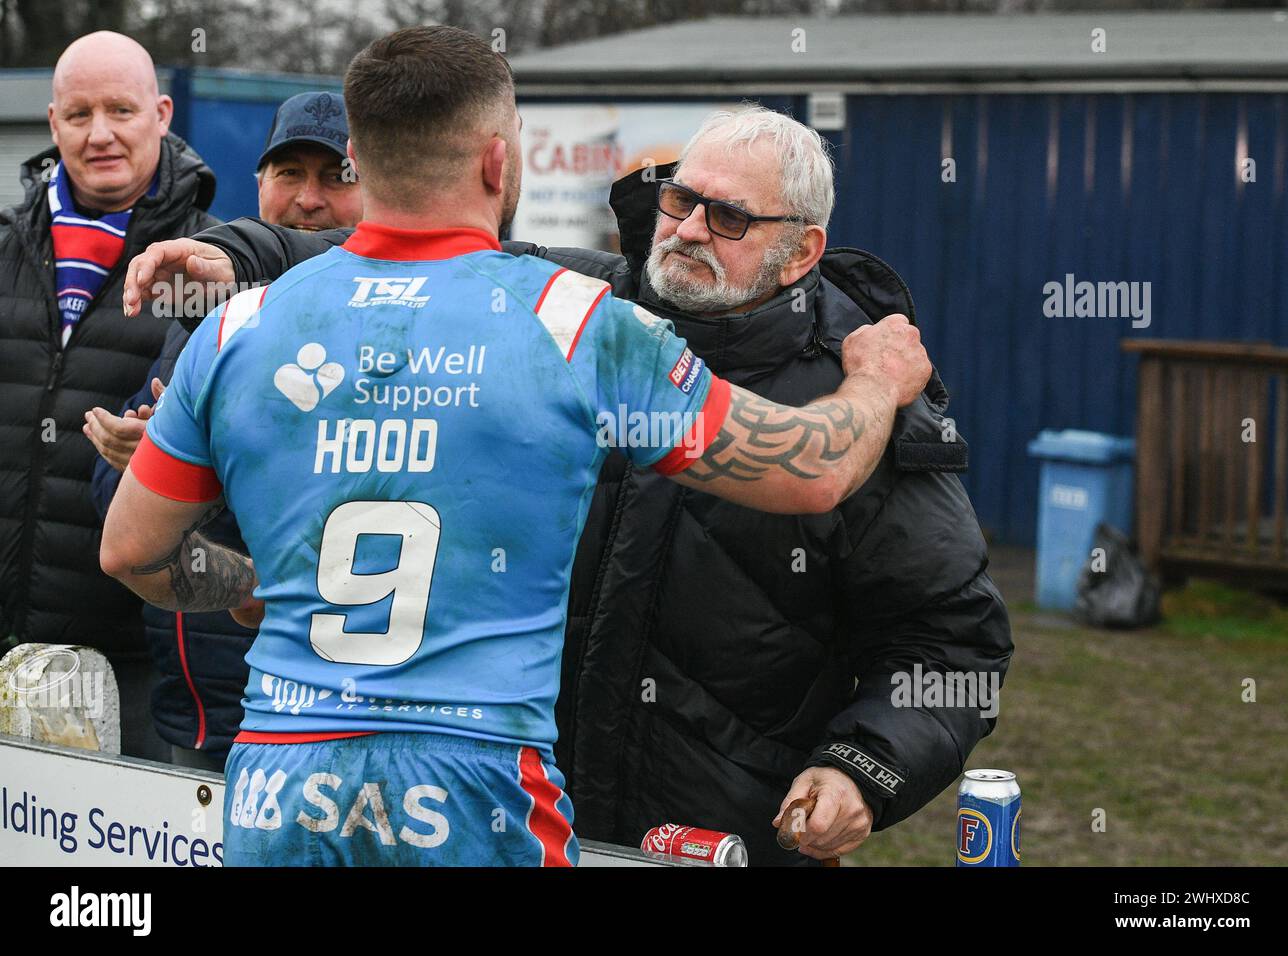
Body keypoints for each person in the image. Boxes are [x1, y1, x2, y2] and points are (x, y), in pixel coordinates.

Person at [101, 25, 931, 867]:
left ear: (357, 157)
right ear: (499, 163)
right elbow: (816, 466)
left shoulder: (241, 327)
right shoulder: (575, 325)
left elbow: (132, 551)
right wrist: (875, 380)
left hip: (278, 789)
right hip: (472, 797)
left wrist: (255, 590)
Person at [87, 92, 361, 771]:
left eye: (336, 176)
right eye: (289, 173)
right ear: (259, 182)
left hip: (315, 711)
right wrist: (138, 458)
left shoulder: (389, 329)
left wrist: (194, 471)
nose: (308, 199)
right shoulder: (209, 315)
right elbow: (111, 509)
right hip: (193, 709)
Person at [0, 31, 220, 761]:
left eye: (121, 111)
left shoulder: (209, 261)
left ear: (161, 113)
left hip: (134, 658)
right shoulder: (3, 248)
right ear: (53, 123)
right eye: (79, 114)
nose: (100, 135)